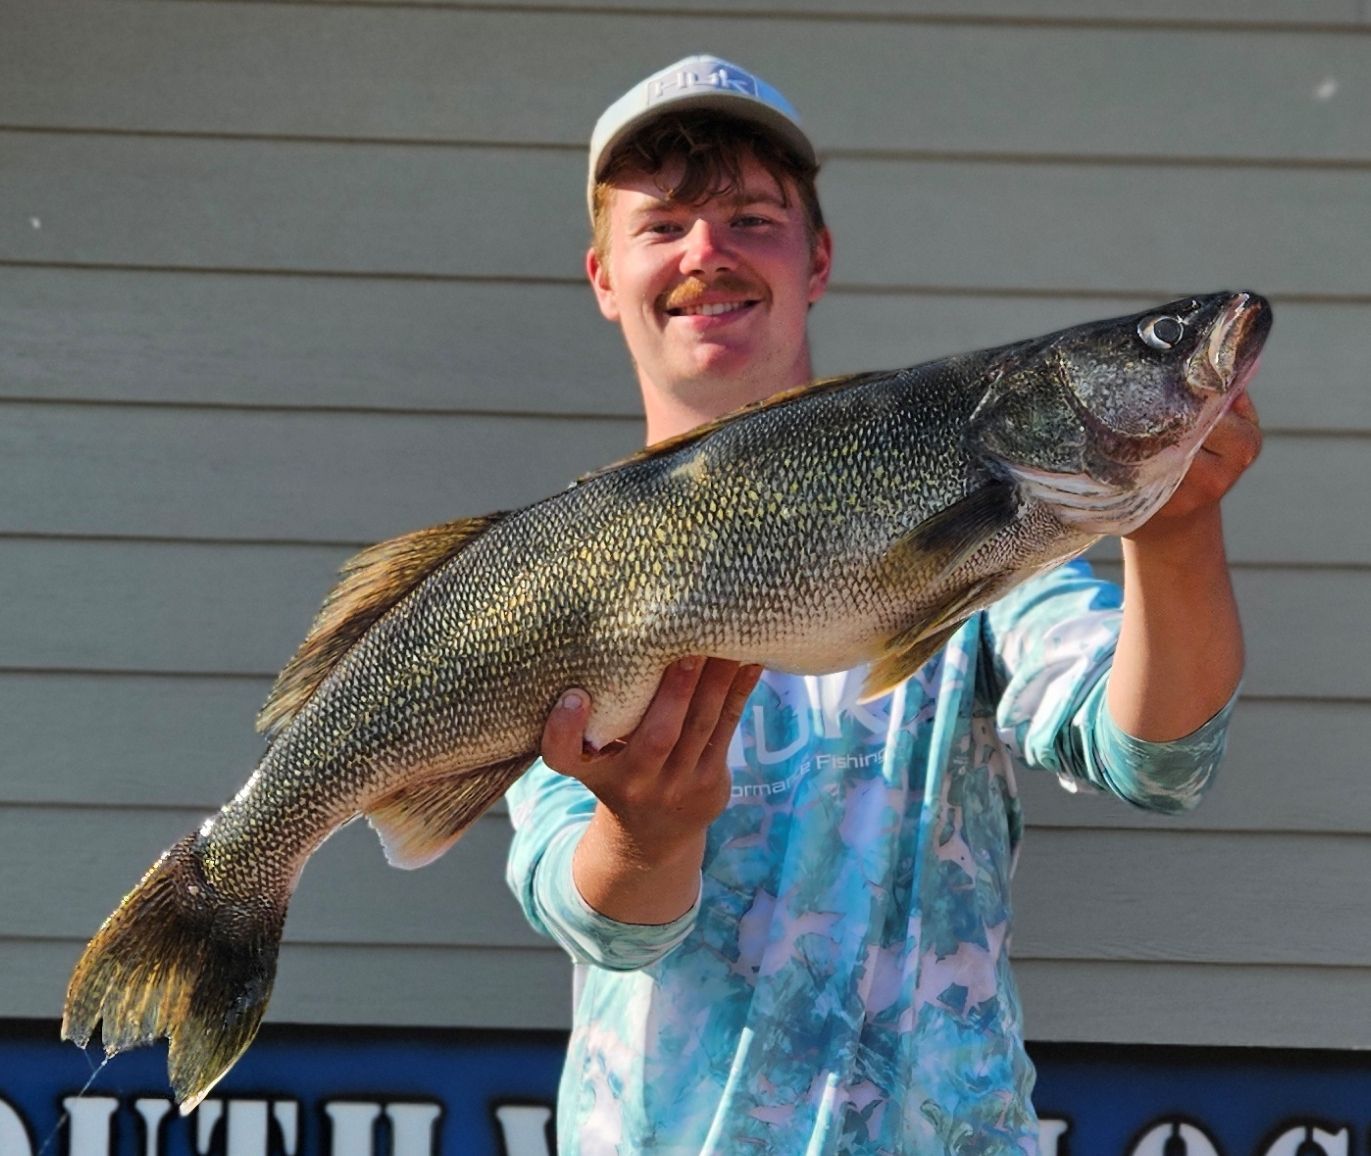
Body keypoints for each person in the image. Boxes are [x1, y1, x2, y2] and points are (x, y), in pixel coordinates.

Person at [505, 54, 1261, 1154]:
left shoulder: (997, 528)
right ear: (602, 276)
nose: (707, 250)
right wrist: (647, 832)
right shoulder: (570, 578)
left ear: (817, 257)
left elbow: (1155, 754)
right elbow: (596, 923)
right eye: (663, 224)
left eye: (752, 217)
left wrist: (1179, 529)